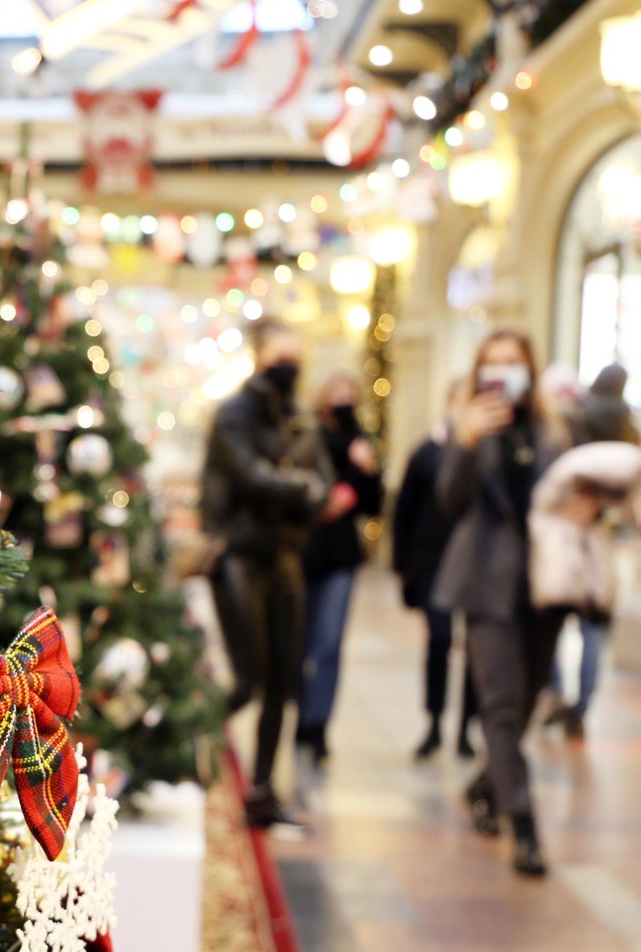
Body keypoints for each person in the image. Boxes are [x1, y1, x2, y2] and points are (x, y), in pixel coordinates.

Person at [433, 330, 570, 877]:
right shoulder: (468, 427)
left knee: (529, 700)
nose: (504, 373)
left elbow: (572, 494)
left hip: (545, 585)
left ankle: (482, 787)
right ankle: (526, 824)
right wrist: (464, 444)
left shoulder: (553, 429)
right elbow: (449, 501)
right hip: (488, 583)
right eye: (493, 364)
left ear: (531, 369)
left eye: (513, 363)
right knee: (500, 706)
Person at [202, 322, 333, 828]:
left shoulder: (300, 417)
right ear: (260, 358)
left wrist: (295, 488)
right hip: (238, 554)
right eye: (281, 355)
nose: (290, 366)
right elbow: (252, 479)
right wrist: (298, 488)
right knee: (247, 680)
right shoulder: (233, 414)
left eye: (296, 356)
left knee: (283, 679)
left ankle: (262, 790)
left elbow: (324, 482)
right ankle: (177, 749)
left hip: (285, 556)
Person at [546, 363, 641, 738]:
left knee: (553, 621)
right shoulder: (630, 429)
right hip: (602, 536)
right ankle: (581, 707)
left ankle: (555, 690)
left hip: (566, 531)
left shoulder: (575, 420)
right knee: (593, 629)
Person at [296, 374, 384, 766]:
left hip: (341, 556)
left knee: (329, 644)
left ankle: (318, 726)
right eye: (337, 392)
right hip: (303, 552)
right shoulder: (308, 436)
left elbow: (374, 506)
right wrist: (322, 499)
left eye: (351, 393)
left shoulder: (361, 442)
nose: (344, 399)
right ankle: (299, 714)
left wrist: (367, 473)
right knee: (299, 644)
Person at [392, 411, 479, 761]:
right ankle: (434, 724)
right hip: (432, 562)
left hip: (475, 563)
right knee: (440, 639)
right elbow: (405, 510)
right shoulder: (426, 453)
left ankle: (465, 730)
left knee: (476, 649)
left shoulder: (487, 453)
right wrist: (402, 564)